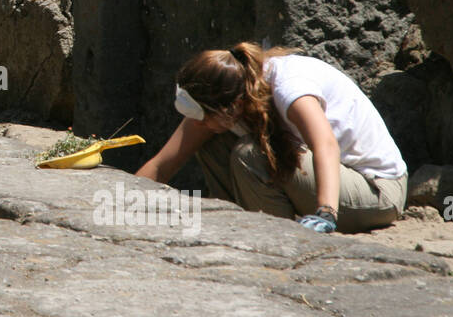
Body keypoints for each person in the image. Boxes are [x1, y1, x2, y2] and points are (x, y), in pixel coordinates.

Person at [135, 42, 407, 234]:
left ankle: (279, 238)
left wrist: (326, 212)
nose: (200, 124)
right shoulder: (231, 89)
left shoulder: (291, 89)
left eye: (205, 115)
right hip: (330, 181)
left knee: (251, 154)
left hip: (376, 191)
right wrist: (119, 203)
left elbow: (326, 146)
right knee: (214, 143)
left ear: (233, 104)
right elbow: (163, 165)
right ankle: (237, 226)